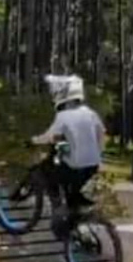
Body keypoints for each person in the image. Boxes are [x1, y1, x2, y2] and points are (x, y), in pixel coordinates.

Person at [32, 74, 104, 237]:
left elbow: (49, 136)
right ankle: (75, 216)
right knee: (74, 191)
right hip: (92, 165)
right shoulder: (90, 113)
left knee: (48, 175)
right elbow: (101, 133)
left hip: (75, 166)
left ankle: (60, 214)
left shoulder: (63, 116)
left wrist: (33, 140)